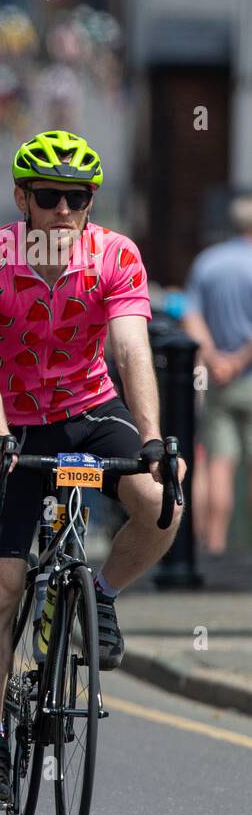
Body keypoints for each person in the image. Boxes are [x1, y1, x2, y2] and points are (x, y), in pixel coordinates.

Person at [0, 129, 186, 808]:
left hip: (88, 405)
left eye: (75, 198)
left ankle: (101, 595)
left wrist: (150, 438)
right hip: (15, 420)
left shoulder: (115, 256)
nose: (61, 210)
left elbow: (133, 349)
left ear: (89, 204)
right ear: (22, 198)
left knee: (162, 502)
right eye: (47, 196)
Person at [181, 192, 252, 556]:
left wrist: (215, 359)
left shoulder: (208, 262)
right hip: (247, 374)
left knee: (220, 465)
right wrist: (240, 359)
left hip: (220, 382)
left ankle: (215, 545)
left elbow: (192, 317)